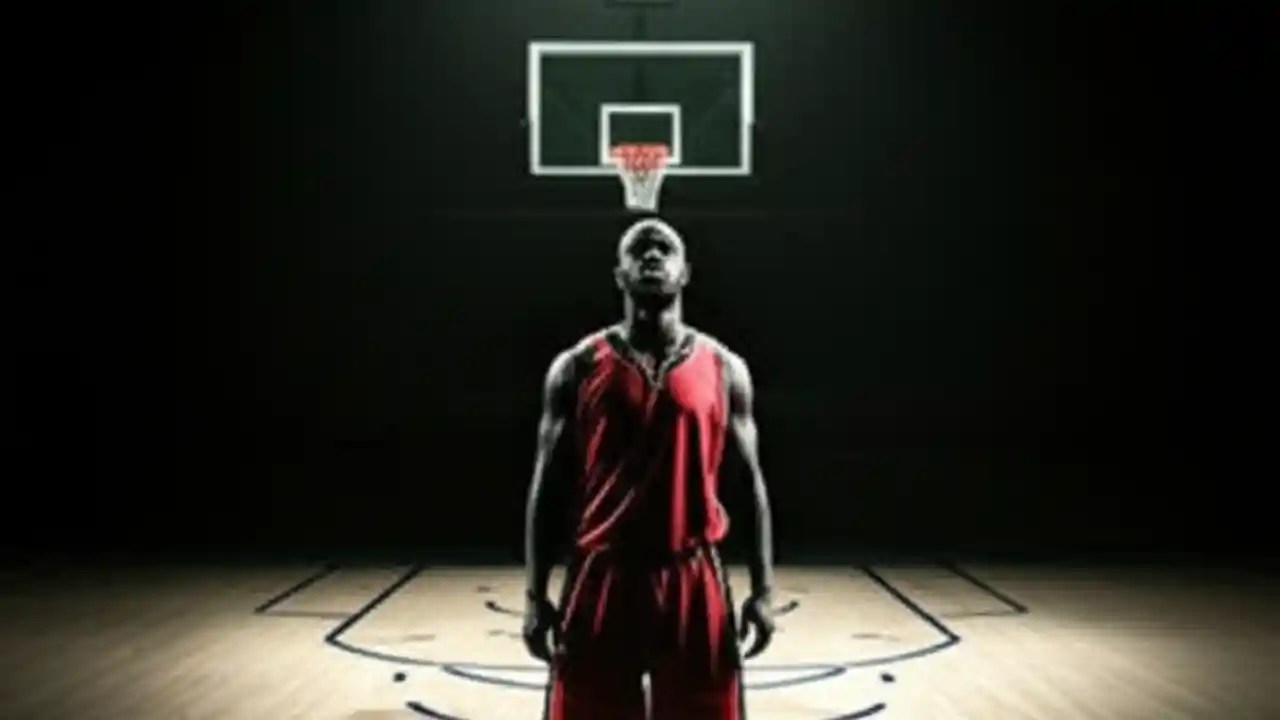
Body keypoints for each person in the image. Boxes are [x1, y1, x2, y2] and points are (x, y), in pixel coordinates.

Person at [522, 217, 777, 719]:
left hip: (693, 573)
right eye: (639, 250)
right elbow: (545, 490)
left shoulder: (725, 368)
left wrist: (763, 591)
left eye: (665, 249)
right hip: (603, 574)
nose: (652, 256)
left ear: (685, 273)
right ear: (619, 275)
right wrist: (535, 596)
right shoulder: (575, 367)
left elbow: (751, 488)